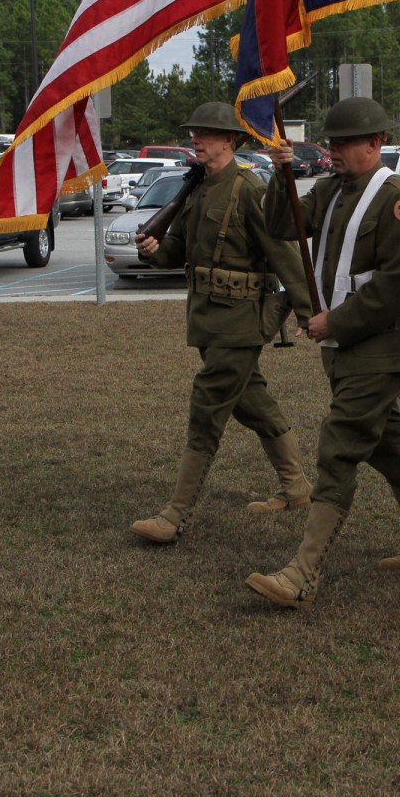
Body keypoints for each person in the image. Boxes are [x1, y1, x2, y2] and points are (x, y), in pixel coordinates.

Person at [245, 96, 400, 609]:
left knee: (339, 447)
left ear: (375, 144)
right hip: (345, 349)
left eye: (345, 143)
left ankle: (302, 573)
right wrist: (281, 176)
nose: (333, 151)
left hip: (381, 346)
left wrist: (337, 319)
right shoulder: (331, 190)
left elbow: (396, 286)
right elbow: (283, 226)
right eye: (330, 142)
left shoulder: (399, 200)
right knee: (387, 443)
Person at [130, 102, 314, 545]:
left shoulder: (249, 189)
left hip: (240, 322)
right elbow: (179, 251)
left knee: (207, 408)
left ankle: (175, 515)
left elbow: (284, 255)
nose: (196, 138)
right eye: (194, 131)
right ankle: (297, 487)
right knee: (253, 403)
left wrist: (309, 312)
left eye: (206, 133)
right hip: (208, 321)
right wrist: (156, 250)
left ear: (230, 141)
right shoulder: (195, 189)